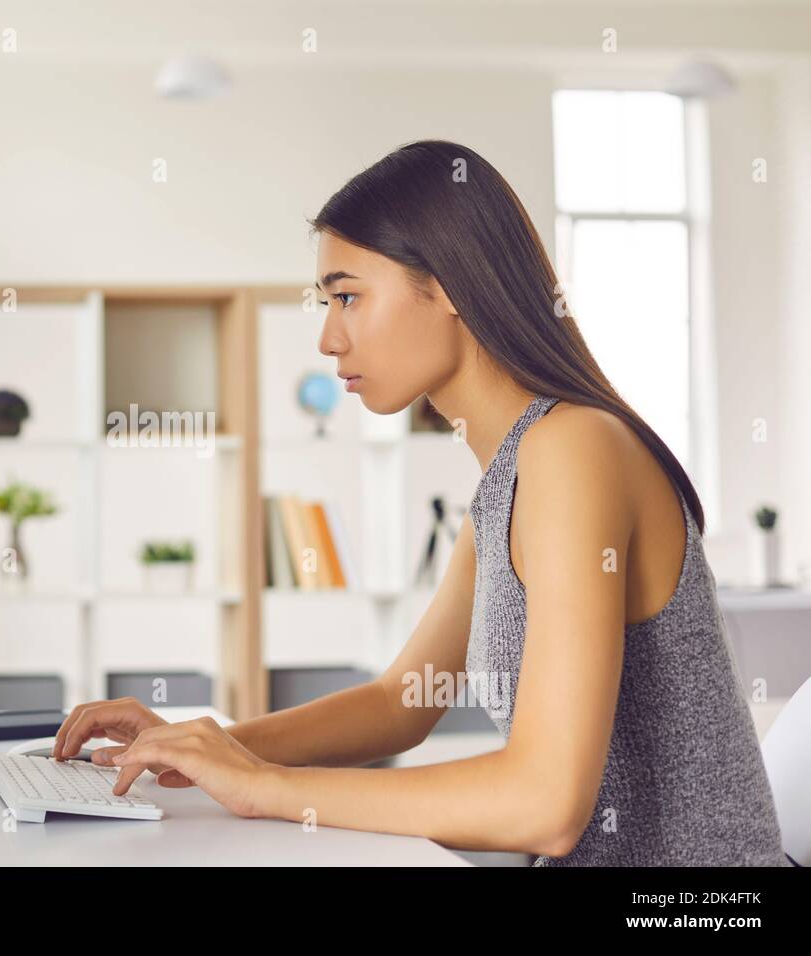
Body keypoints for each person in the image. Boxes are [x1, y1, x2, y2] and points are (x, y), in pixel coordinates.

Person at [52, 141, 789, 866]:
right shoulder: (511, 476)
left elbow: (545, 803)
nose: (328, 337)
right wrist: (208, 744)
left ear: (447, 287)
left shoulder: (576, 449)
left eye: (347, 296)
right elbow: (401, 702)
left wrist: (269, 788)